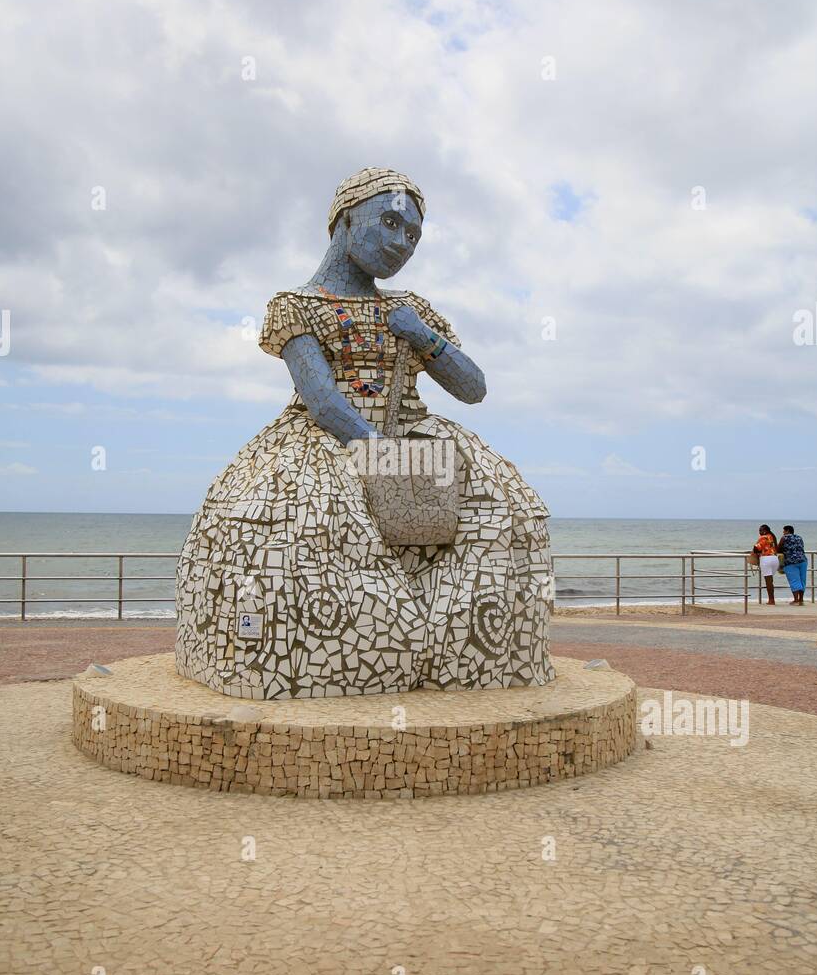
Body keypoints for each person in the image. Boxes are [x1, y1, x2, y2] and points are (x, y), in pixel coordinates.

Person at [176, 167, 556, 700]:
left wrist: (422, 338)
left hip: (412, 429)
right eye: (391, 223)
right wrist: (384, 456)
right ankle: (354, 658)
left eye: (414, 236)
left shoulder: (411, 309)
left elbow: (473, 388)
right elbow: (323, 399)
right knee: (301, 534)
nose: (402, 243)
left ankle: (465, 653)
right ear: (344, 219)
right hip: (326, 443)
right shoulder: (297, 306)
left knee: (510, 513)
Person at [778, 525, 808, 606]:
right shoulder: (799, 537)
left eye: (784, 531)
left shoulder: (784, 538)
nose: (783, 532)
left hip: (791, 561)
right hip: (803, 560)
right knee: (802, 580)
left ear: (787, 531)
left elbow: (779, 548)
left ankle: (796, 600)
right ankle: (801, 600)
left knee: (794, 580)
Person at [752, 524, 779, 605]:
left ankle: (771, 600)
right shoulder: (772, 537)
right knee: (770, 581)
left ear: (765, 531)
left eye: (760, 530)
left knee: (768, 582)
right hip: (774, 559)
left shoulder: (763, 537)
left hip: (766, 559)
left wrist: (756, 552)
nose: (759, 532)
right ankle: (772, 599)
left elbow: (756, 548)